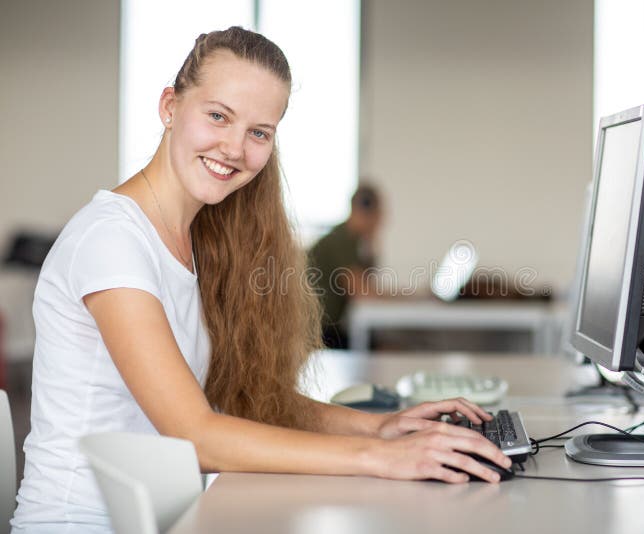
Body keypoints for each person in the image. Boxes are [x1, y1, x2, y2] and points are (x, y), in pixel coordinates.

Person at [11, 27, 510, 533]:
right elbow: (195, 435)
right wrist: (380, 457)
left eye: (259, 132)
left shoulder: (196, 240)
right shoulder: (111, 241)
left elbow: (240, 402)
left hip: (167, 518)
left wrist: (383, 427)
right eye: (218, 116)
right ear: (169, 106)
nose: (233, 148)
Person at [308, 185, 382, 348]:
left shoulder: (350, 239)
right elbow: (363, 293)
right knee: (381, 347)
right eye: (380, 215)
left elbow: (365, 285)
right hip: (316, 332)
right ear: (372, 215)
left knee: (379, 344)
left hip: (324, 328)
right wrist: (407, 296)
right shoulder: (341, 241)